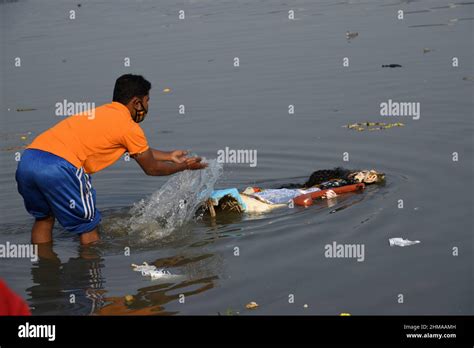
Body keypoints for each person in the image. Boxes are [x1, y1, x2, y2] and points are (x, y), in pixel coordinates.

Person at [16, 74, 207, 245]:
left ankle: (43, 271)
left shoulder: (99, 113)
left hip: (28, 161)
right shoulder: (129, 127)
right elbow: (151, 168)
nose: (148, 107)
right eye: (147, 100)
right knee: (88, 227)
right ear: (137, 102)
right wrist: (183, 167)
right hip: (61, 167)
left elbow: (137, 150)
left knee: (44, 218)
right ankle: (93, 281)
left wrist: (169, 156)